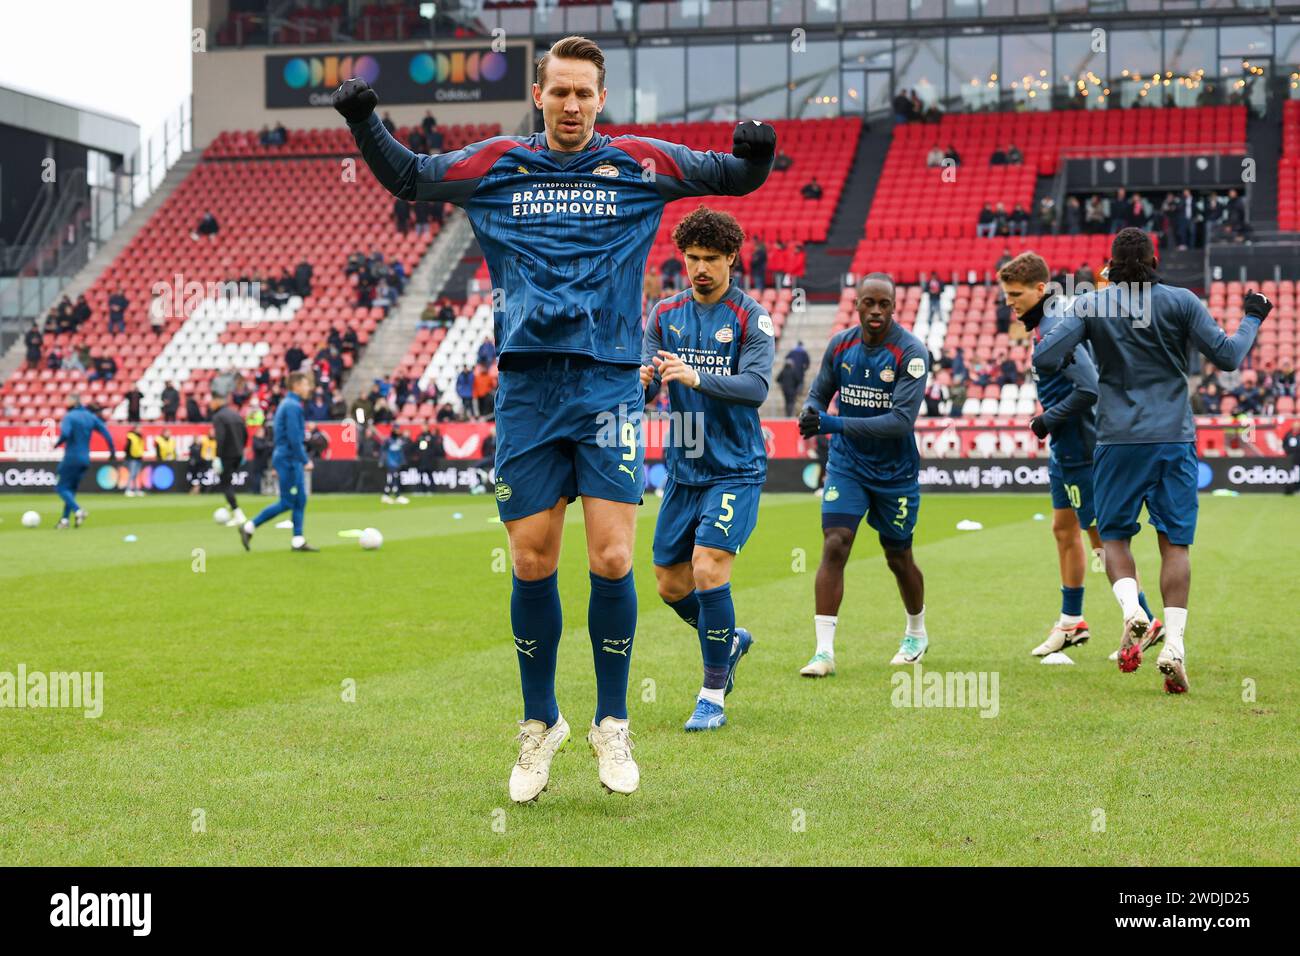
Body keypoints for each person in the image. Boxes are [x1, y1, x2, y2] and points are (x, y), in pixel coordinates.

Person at [334, 33, 774, 801]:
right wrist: (363, 120)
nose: (571, 104)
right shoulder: (497, 163)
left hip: (607, 388)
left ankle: (612, 724)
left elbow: (735, 178)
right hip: (529, 392)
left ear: (602, 99)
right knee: (533, 561)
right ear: (539, 95)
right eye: (559, 91)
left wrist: (757, 150)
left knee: (611, 559)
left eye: (585, 93)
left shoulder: (642, 162)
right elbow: (408, 176)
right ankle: (541, 724)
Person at [1034, 228, 1270, 694]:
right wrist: (1253, 317)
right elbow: (1227, 357)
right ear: (1155, 258)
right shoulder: (1180, 300)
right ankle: (1175, 646)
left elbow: (1046, 354)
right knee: (1174, 544)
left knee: (1116, 537)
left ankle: (1133, 612)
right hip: (1172, 437)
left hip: (1117, 440)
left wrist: (1088, 355)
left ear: (1111, 264)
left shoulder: (1090, 303)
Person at [639, 207, 772, 731]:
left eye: (711, 259)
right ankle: (730, 640)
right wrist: (644, 379)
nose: (700, 268)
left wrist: (696, 379)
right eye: (692, 258)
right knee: (670, 584)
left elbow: (757, 387)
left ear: (732, 259)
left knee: (708, 566)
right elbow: (643, 388)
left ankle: (712, 695)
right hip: (684, 468)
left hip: (735, 467)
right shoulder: (663, 314)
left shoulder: (749, 317)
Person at [1000, 252, 1163, 656]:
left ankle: (1146, 620)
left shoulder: (1057, 325)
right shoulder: (1044, 322)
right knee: (1063, 528)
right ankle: (1072, 622)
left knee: (1100, 539)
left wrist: (1046, 420)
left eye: (1015, 294)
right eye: (1006, 295)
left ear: (1040, 289)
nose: (1009, 302)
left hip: (1081, 448)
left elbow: (1089, 388)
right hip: (1064, 448)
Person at [797, 273, 931, 676]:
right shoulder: (841, 345)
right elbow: (821, 391)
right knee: (836, 543)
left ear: (894, 306)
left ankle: (916, 632)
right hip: (848, 465)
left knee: (898, 555)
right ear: (856, 304)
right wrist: (810, 409)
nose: (875, 311)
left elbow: (899, 422)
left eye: (883, 304)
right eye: (868, 303)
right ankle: (823, 652)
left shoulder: (911, 352)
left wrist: (830, 424)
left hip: (895, 473)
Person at [240, 371, 317, 553]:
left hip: (288, 457)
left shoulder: (290, 404)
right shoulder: (292, 406)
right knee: (287, 502)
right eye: (305, 384)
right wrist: (304, 459)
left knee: (300, 499)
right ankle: (250, 526)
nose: (308, 388)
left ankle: (298, 540)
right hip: (289, 459)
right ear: (296, 386)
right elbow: (293, 437)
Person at [53, 394, 116, 529]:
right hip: (85, 459)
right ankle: (65, 520)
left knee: (61, 487)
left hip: (71, 458)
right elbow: (107, 434)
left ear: (73, 402)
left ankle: (78, 510)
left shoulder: (69, 417)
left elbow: (65, 434)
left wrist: (56, 444)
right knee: (71, 490)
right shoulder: (90, 417)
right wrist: (112, 452)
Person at [212, 388, 249, 527]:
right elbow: (245, 434)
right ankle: (233, 510)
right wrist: (242, 449)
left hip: (227, 455)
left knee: (226, 484)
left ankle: (238, 513)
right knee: (229, 482)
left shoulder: (219, 417)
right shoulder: (236, 415)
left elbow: (220, 438)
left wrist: (217, 457)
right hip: (238, 454)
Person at [381, 428, 409, 504]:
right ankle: (394, 495)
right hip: (391, 463)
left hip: (397, 463)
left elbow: (401, 451)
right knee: (392, 479)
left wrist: (403, 462)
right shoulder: (388, 441)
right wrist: (382, 461)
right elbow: (383, 450)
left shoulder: (399, 441)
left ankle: (388, 495)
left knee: (393, 479)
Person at [123, 424, 146, 497]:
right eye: (139, 428)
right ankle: (128, 489)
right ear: (135, 429)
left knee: (136, 475)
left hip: (138, 457)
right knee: (132, 474)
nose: (140, 430)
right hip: (131, 458)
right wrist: (128, 457)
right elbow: (127, 447)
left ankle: (136, 490)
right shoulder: (131, 436)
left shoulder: (140, 437)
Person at [1284, 420, 1300, 496]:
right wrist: (1287, 451)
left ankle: (1297, 488)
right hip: (1291, 457)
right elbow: (1284, 444)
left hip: (1298, 456)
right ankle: (1291, 489)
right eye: (1295, 427)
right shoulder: (1288, 435)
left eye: (1298, 427)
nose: (1296, 428)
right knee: (1292, 473)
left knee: (1297, 472)